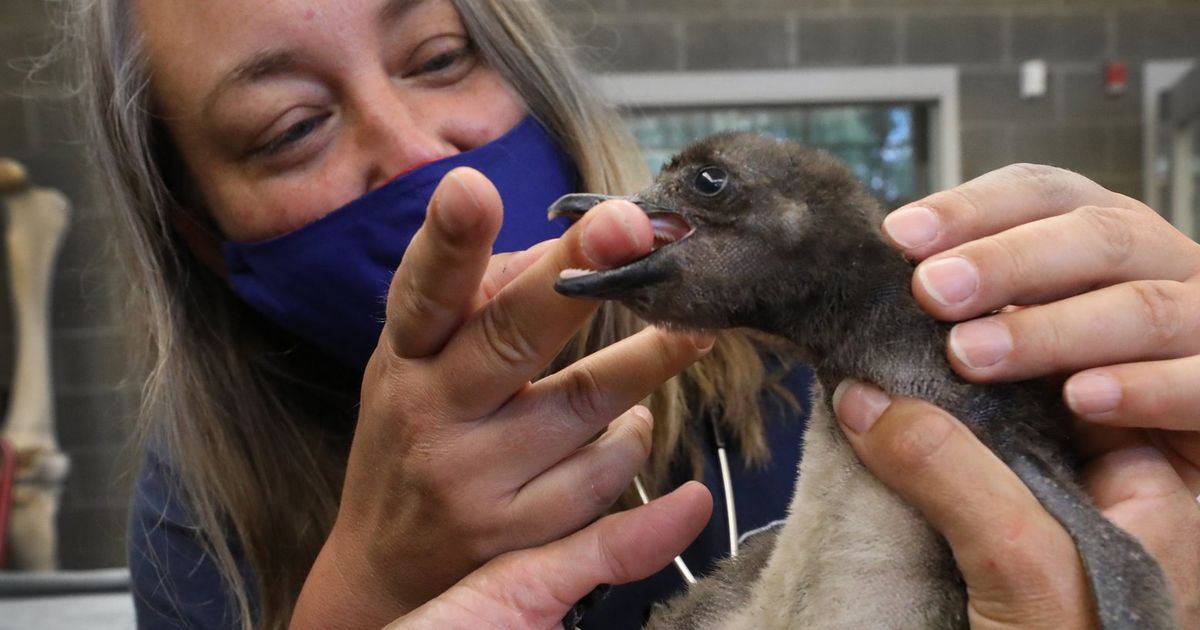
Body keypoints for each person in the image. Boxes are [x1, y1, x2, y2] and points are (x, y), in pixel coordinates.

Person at [62, 0, 1198, 628]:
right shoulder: (200, 505)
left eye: (441, 55)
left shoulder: (860, 360)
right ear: (205, 230)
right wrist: (364, 596)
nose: (424, 159)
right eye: (287, 128)